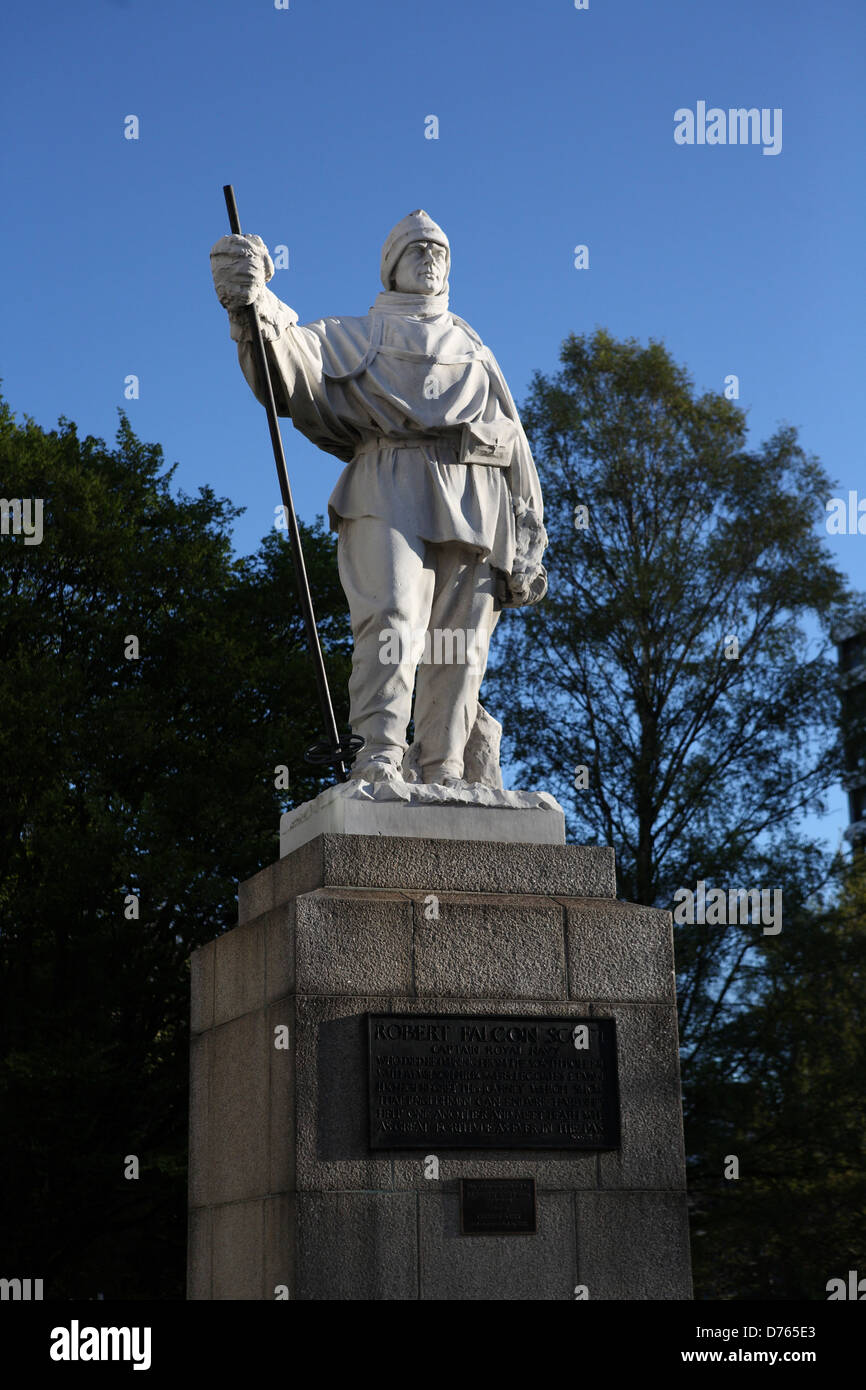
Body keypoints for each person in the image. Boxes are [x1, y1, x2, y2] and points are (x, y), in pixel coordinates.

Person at [210, 210, 547, 787]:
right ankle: (379, 758)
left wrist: (529, 531)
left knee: (460, 646)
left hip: (476, 493)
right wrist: (254, 301)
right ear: (391, 268)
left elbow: (514, 443)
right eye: (417, 249)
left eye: (440, 250)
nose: (431, 258)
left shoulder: (476, 351)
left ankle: (443, 770)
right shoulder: (355, 335)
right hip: (387, 479)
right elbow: (289, 362)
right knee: (389, 617)